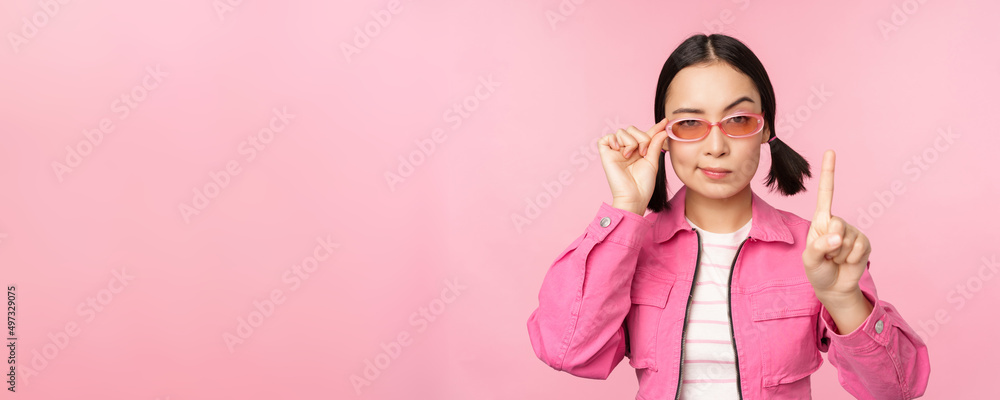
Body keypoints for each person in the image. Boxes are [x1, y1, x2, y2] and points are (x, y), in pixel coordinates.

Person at [525, 33, 930, 399]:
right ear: (663, 138)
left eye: (738, 120)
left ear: (765, 127)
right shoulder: (633, 247)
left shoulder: (816, 252)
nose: (716, 146)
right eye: (689, 123)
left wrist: (843, 299)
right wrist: (626, 208)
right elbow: (567, 351)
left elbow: (898, 389)